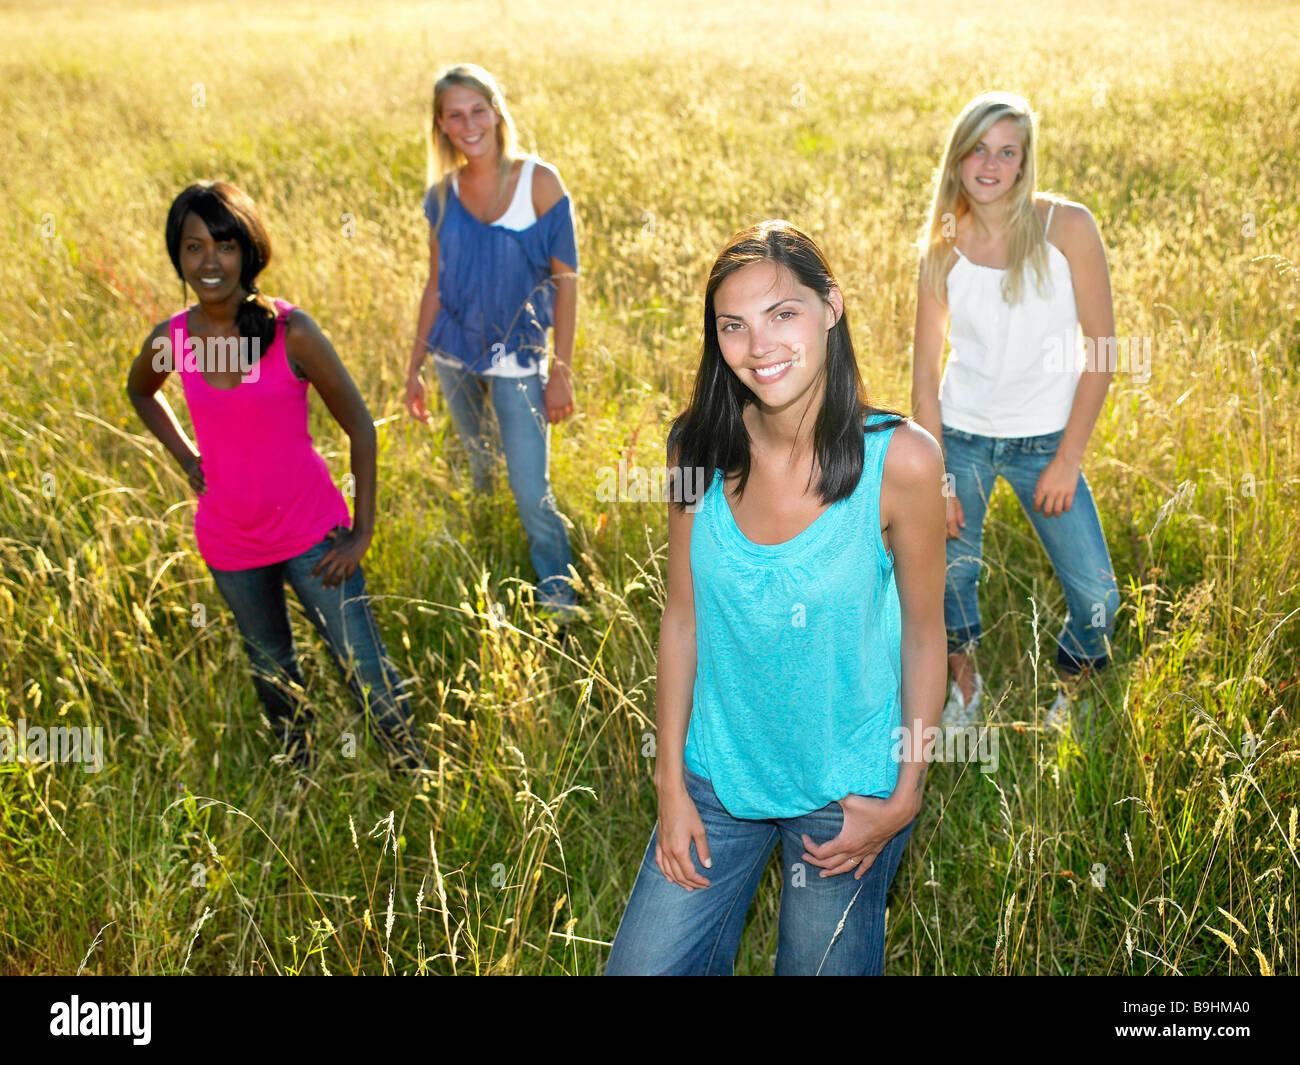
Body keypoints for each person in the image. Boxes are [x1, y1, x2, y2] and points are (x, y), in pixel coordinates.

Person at [604, 221, 947, 976]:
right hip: (718, 772)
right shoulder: (697, 450)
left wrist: (904, 793)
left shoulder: (904, 459)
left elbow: (927, 637)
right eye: (734, 325)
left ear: (832, 307)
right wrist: (669, 781)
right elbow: (681, 618)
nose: (759, 345)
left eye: (782, 313)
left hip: (845, 787)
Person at [126, 181, 421, 770]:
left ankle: (412, 774)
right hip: (230, 543)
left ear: (249, 251)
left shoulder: (292, 332)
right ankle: (299, 775)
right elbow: (139, 393)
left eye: (225, 245)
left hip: (314, 536)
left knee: (364, 670)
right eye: (193, 247)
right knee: (271, 670)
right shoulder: (174, 340)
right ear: (177, 256)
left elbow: (361, 426)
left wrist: (360, 533)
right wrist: (187, 459)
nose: (210, 261)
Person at [911, 91, 1121, 731]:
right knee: (949, 580)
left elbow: (1103, 349)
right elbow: (924, 372)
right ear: (959, 155)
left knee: (1098, 596)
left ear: (1025, 161)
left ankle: (1070, 696)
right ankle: (965, 691)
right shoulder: (943, 242)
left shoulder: (1068, 228)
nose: (991, 163)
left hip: (1044, 447)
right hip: (962, 437)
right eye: (979, 147)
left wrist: (1069, 458)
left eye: (1008, 150)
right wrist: (937, 474)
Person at [404, 63, 579, 624]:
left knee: (531, 489)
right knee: (479, 468)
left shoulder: (540, 182)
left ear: (497, 112)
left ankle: (559, 594)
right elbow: (434, 285)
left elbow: (567, 281)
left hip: (519, 362)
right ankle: (487, 569)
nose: (469, 123)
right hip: (452, 355)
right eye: (455, 114)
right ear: (441, 125)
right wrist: (413, 369)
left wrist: (562, 370)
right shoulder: (441, 196)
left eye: (478, 109)